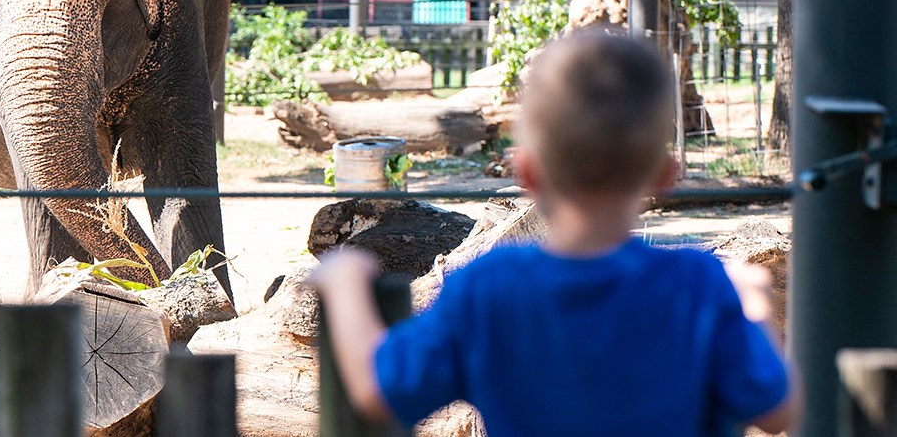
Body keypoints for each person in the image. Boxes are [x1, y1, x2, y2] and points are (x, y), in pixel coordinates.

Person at [311, 31, 797, 436]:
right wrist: (754, 308)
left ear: (527, 172)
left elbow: (379, 392)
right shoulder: (699, 285)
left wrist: (346, 282)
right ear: (663, 176)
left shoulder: (487, 286)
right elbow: (780, 412)